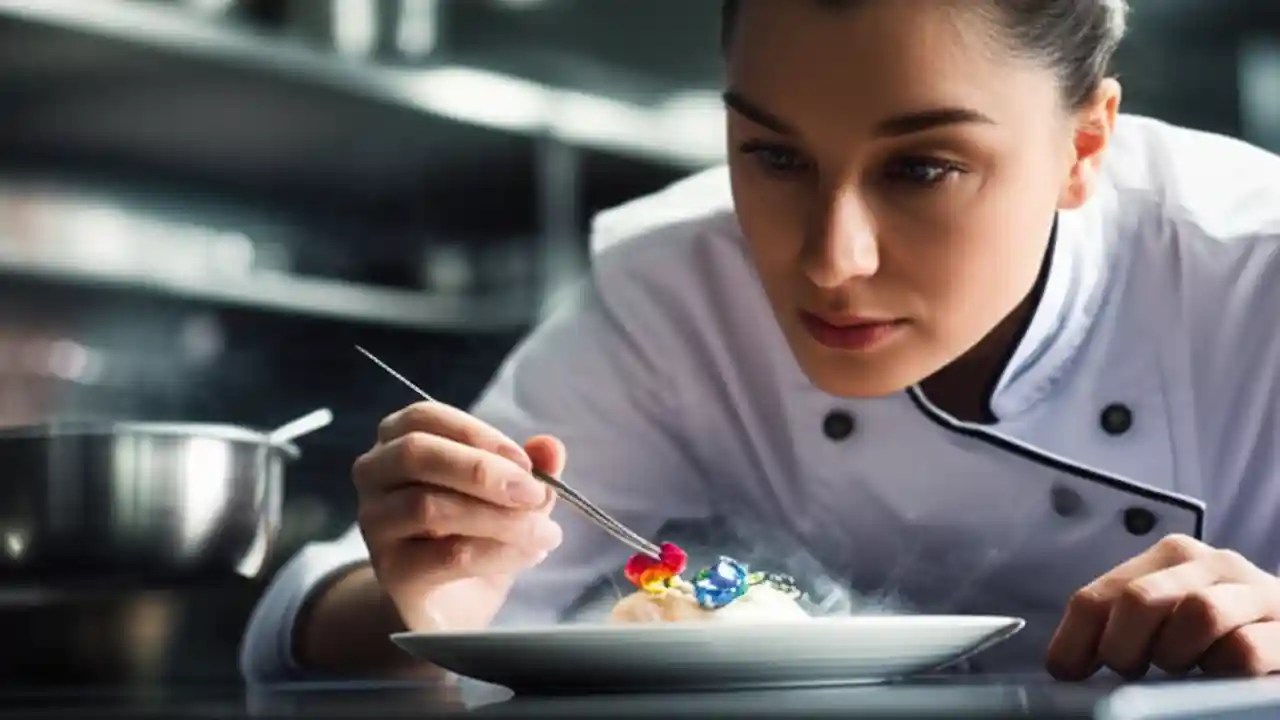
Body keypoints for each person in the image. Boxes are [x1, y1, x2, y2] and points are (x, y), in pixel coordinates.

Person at [241, 0, 1280, 682]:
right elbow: (293, 644)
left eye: (920, 168)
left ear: (1082, 144)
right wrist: (421, 588)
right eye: (773, 156)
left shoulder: (1253, 274)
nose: (830, 260)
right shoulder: (681, 289)